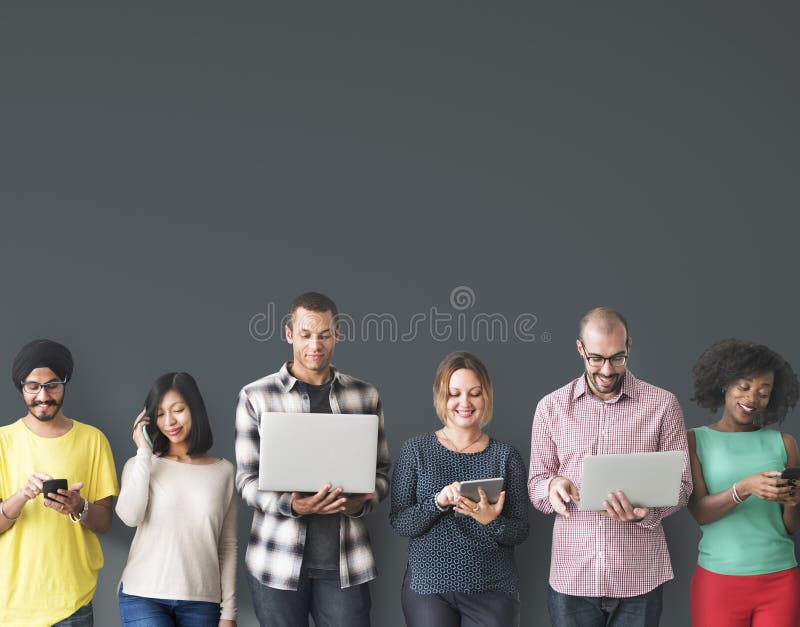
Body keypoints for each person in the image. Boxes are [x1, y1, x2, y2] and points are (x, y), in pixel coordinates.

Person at [528, 307, 692, 626]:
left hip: (640, 579)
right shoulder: (551, 407)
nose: (607, 370)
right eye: (596, 359)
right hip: (572, 579)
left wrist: (648, 513)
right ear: (580, 350)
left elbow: (683, 486)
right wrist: (552, 486)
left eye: (617, 358)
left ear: (629, 346)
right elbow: (536, 484)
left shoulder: (663, 404)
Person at [235, 291, 391, 627]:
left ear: (338, 334)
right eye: (305, 335)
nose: (315, 345)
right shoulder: (256, 397)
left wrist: (358, 503)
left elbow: (381, 475)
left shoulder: (365, 395)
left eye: (324, 335)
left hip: (345, 561)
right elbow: (246, 482)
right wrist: (292, 506)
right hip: (276, 561)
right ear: (289, 334)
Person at [390, 351, 529, 627]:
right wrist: (437, 502)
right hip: (428, 588)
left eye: (474, 393)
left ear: (486, 396)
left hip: (493, 588)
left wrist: (492, 522)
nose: (464, 403)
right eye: (454, 393)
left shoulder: (505, 455)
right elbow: (399, 522)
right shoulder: (416, 450)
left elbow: (521, 530)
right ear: (441, 397)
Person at [0, 339, 118, 627]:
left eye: (52, 385)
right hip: (14, 604)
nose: (43, 396)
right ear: (21, 387)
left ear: (65, 383)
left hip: (72, 601)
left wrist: (80, 506)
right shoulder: (2, 441)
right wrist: (21, 496)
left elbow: (104, 522)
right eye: (33, 386)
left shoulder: (93, 440)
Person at [687, 339, 800, 626]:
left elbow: (788, 527)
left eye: (764, 392)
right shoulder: (695, 439)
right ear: (725, 384)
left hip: (780, 578)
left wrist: (792, 502)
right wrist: (744, 488)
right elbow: (700, 512)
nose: (752, 399)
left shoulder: (784, 443)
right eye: (744, 387)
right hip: (719, 580)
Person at [116, 372, 238, 626]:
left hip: (202, 600)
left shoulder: (224, 471)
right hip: (143, 595)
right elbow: (130, 517)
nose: (169, 421)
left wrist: (229, 613)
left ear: (195, 410)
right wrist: (144, 452)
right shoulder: (140, 464)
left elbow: (227, 546)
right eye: (160, 414)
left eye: (178, 410)